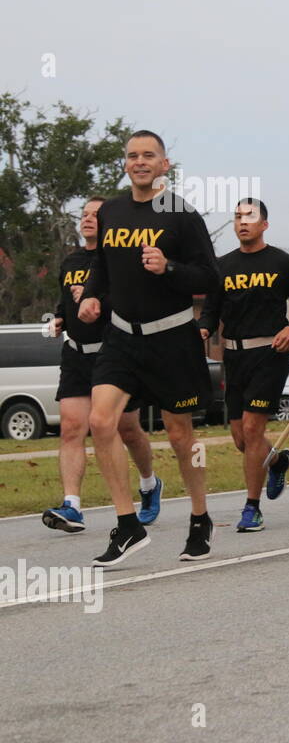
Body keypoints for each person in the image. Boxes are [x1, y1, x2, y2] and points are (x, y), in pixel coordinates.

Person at [77, 130, 219, 565]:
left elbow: (211, 278)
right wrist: (94, 297)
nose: (140, 161)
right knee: (101, 422)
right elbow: (102, 265)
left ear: (164, 164)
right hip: (122, 337)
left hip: (172, 337)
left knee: (180, 436)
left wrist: (169, 266)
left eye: (148, 155)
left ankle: (200, 517)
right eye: (132, 155)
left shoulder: (183, 215)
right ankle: (127, 525)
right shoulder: (113, 211)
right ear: (125, 164)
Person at [42, 196, 162, 534]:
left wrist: (98, 300)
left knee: (126, 430)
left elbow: (134, 303)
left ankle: (150, 484)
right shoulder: (70, 262)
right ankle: (72, 506)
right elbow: (61, 307)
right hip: (76, 355)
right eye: (84, 215)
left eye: (96, 215)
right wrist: (54, 322)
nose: (88, 219)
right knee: (70, 428)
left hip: (114, 353)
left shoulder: (117, 259)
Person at [199, 198, 289, 532]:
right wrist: (203, 327)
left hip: (270, 355)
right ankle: (277, 461)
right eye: (237, 217)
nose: (242, 222)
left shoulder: (283, 263)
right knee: (240, 438)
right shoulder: (221, 266)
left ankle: (252, 508)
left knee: (252, 430)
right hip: (234, 357)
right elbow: (210, 309)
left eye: (249, 217)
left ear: (264, 224)